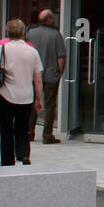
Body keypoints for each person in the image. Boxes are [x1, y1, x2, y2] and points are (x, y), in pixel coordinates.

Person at [0, 18, 44, 166]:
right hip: (26, 97)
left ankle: (7, 161)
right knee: (22, 129)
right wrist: (38, 99)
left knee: (5, 131)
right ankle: (23, 154)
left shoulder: (2, 49)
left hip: (6, 95)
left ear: (8, 32)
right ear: (23, 32)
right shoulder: (33, 52)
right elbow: (37, 80)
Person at [25, 9, 67, 144]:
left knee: (32, 103)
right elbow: (61, 56)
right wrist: (60, 71)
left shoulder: (30, 33)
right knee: (50, 104)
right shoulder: (56, 35)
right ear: (49, 20)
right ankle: (47, 135)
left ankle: (29, 132)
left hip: (33, 74)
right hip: (50, 74)